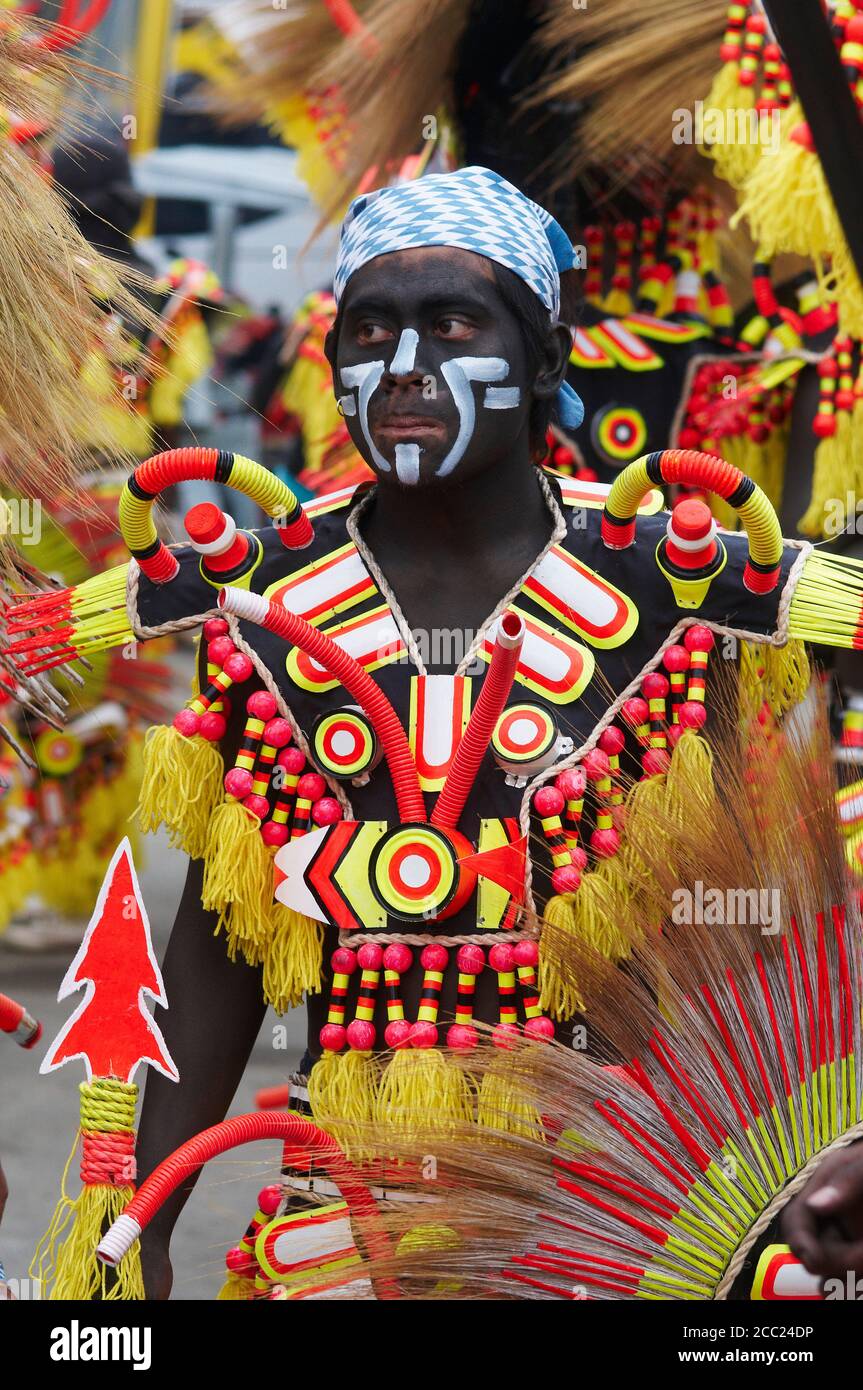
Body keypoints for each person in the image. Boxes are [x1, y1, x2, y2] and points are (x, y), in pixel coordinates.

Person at [8, 165, 857, 1299]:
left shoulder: (669, 588)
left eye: (450, 321)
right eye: (369, 328)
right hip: (340, 1219)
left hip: (623, 1212)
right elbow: (226, 943)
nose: (403, 364)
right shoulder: (265, 599)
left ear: (545, 359)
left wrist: (811, 1150)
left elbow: (742, 924)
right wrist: (137, 1222)